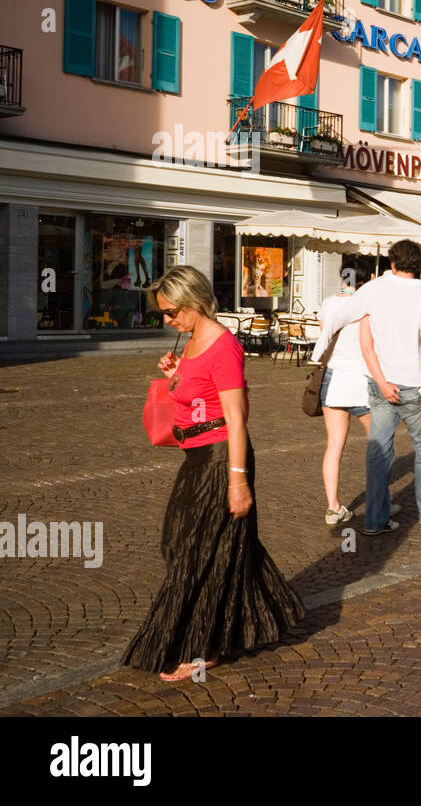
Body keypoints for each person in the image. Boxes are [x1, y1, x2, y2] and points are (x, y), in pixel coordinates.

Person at [123, 266, 303, 680]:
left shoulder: (223, 347)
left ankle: (202, 647)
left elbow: (236, 419)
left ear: (194, 304)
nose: (167, 321)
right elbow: (197, 396)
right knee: (186, 542)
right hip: (196, 457)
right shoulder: (190, 341)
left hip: (223, 457)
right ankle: (253, 618)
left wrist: (237, 482)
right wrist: (175, 376)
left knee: (201, 551)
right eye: (162, 314)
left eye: (170, 312)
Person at [312, 240, 421, 536]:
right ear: (418, 265)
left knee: (379, 451)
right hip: (413, 384)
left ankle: (375, 520)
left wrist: (318, 353)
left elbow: (338, 318)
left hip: (380, 384)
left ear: (392, 262)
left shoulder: (373, 289)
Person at [317, 276, 374, 526]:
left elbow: (325, 337)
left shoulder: (328, 303)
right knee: (379, 445)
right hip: (361, 377)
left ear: (341, 277)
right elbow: (370, 345)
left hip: (333, 375)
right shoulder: (367, 305)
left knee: (334, 445)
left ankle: (333, 507)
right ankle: (378, 501)